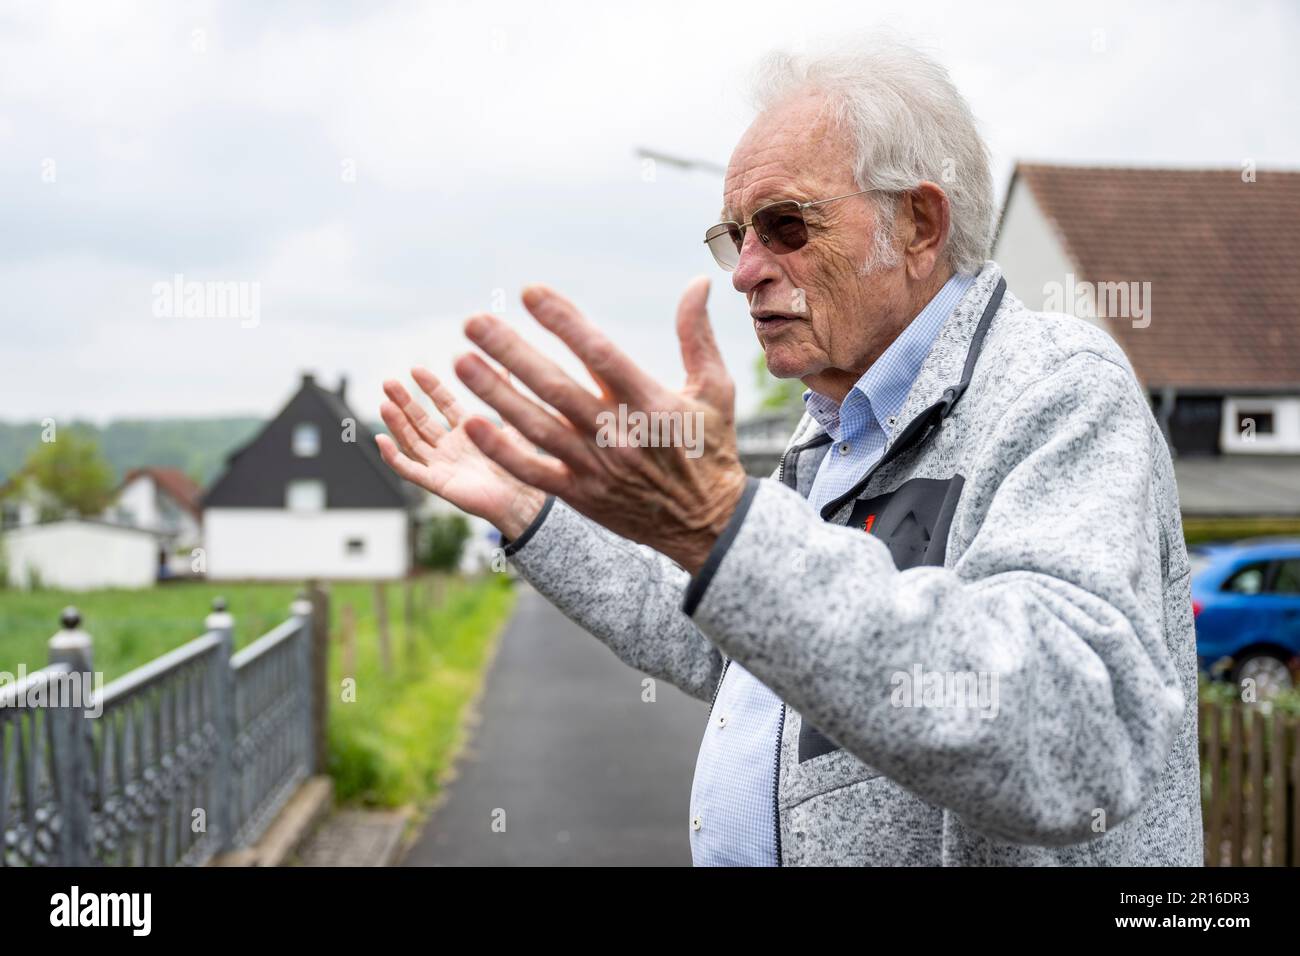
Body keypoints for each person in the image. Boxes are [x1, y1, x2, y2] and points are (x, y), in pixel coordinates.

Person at [376, 38, 1202, 866]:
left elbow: (1081, 737)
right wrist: (533, 513)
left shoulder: (1055, 389)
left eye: (784, 226)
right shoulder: (835, 422)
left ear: (918, 224)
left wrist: (717, 525)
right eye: (736, 235)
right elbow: (737, 637)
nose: (746, 272)